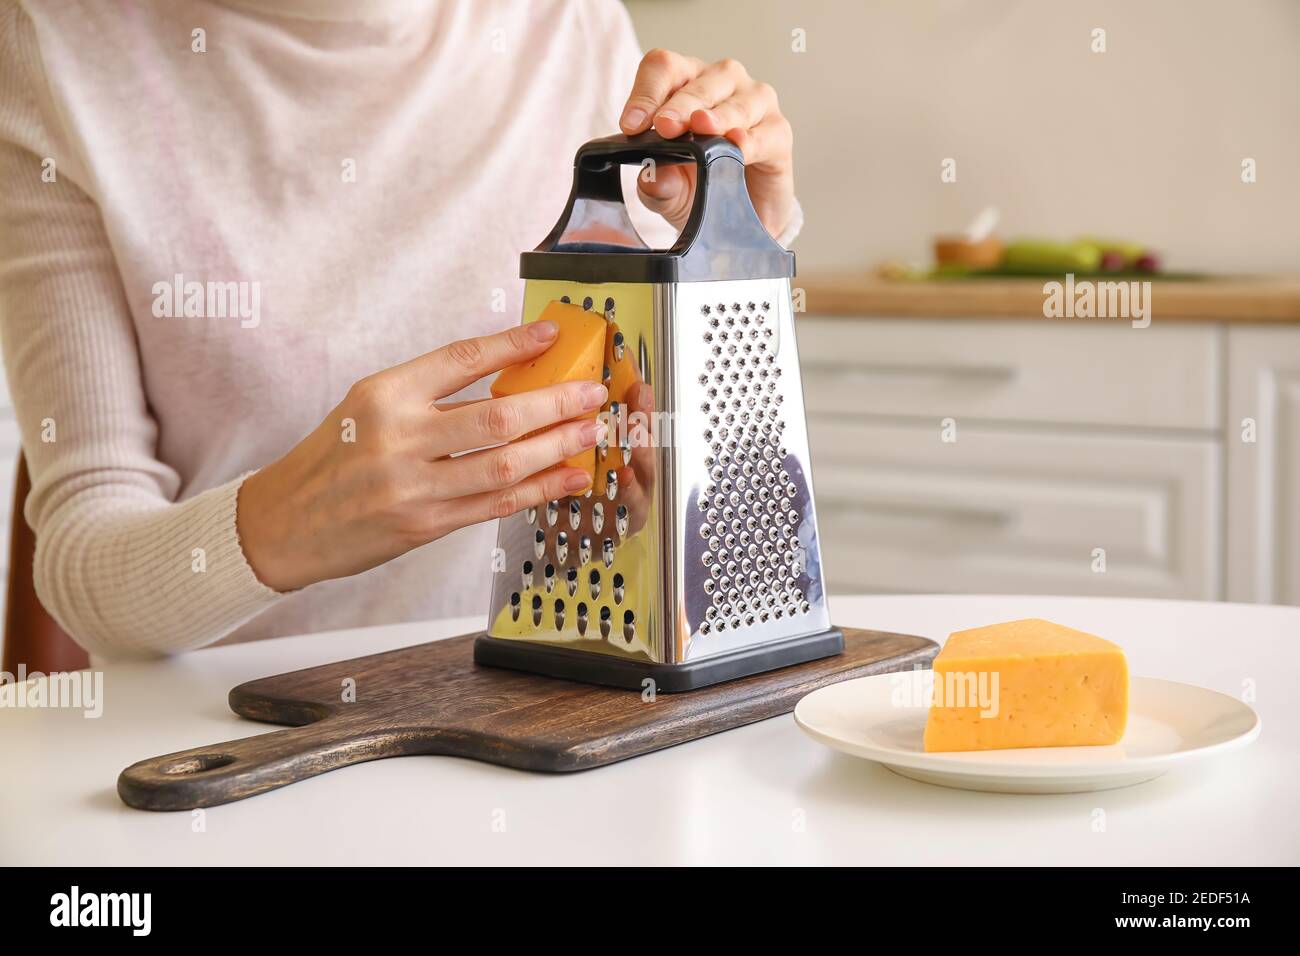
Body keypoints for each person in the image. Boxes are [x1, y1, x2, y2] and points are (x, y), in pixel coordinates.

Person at [0, 0, 800, 657]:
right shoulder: (52, 43)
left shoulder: (572, 28)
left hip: (550, 702)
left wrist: (740, 249)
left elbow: (671, 467)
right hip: (232, 738)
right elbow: (81, 558)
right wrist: (288, 521)